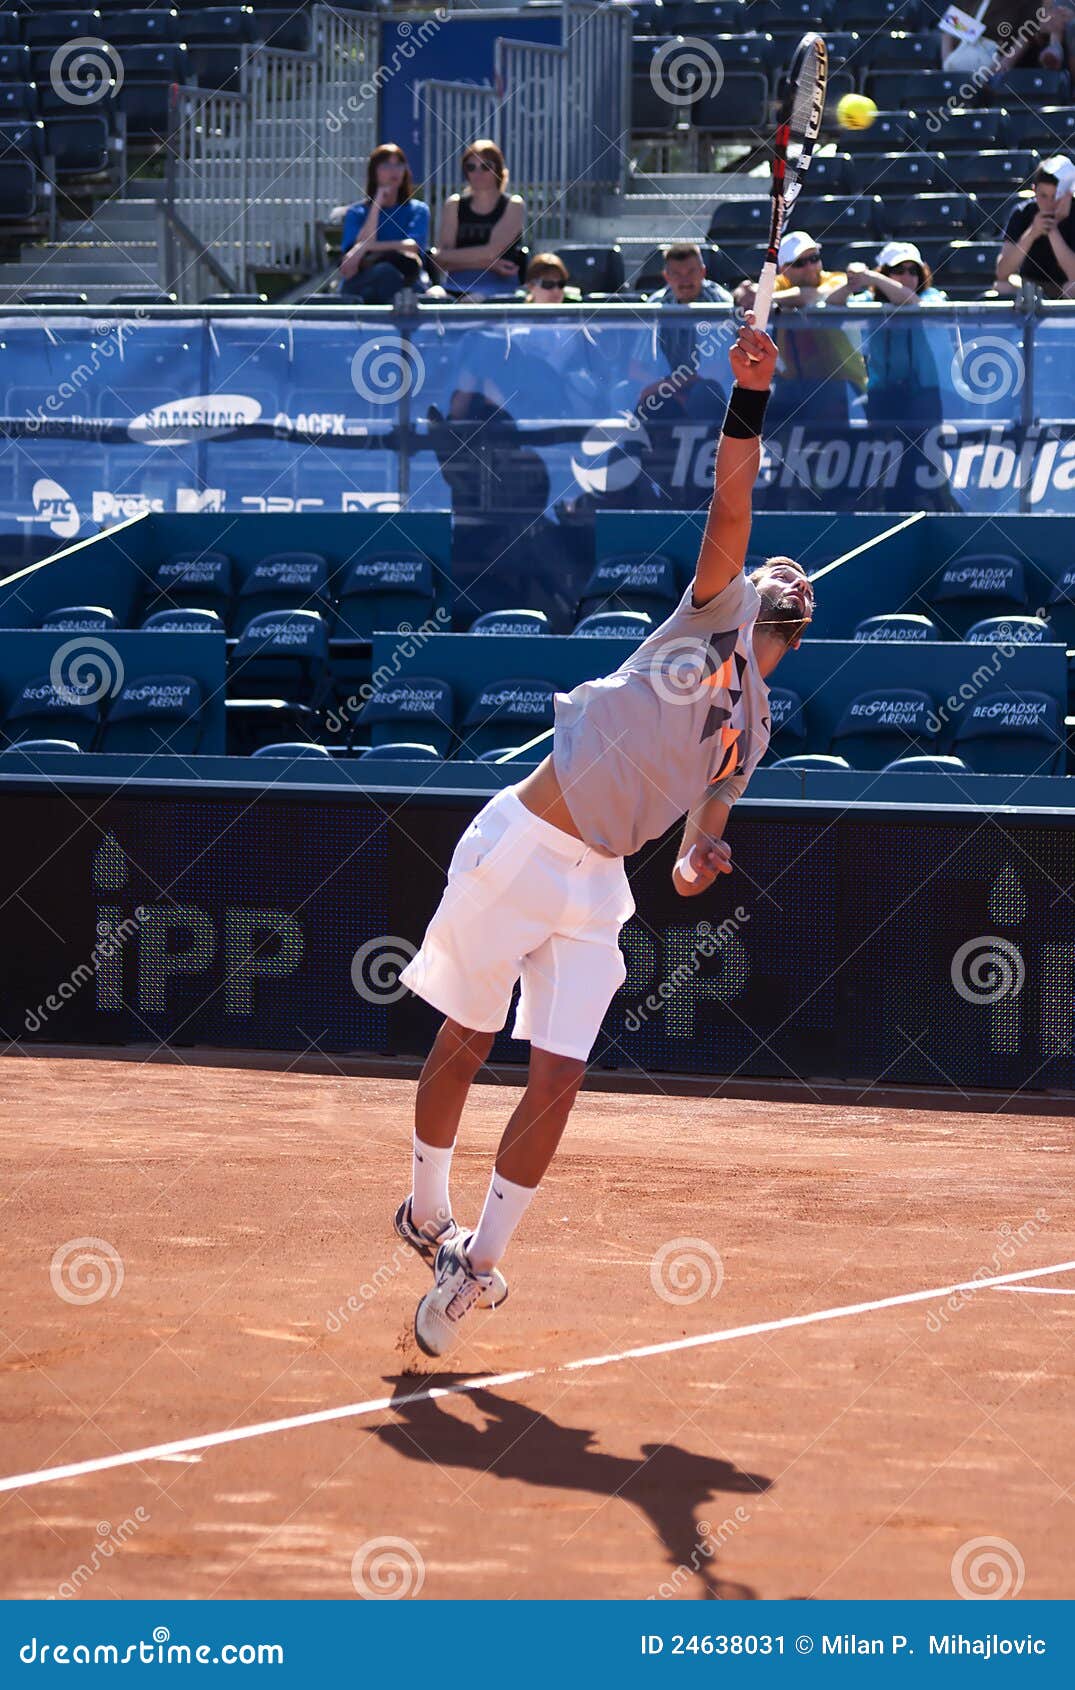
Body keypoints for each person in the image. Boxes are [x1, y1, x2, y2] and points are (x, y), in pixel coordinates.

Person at [394, 319, 816, 1357]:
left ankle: (475, 1264)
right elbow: (731, 495)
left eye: (791, 612)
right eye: (771, 590)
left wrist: (694, 859)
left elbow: (686, 849)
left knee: (561, 1075)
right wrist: (748, 394)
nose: (778, 602)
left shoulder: (753, 733)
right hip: (522, 841)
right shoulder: (705, 613)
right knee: (465, 1038)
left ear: (793, 640)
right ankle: (422, 1206)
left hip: (596, 892)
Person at [736, 232, 866, 428]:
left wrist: (764, 296)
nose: (810, 268)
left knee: (822, 398)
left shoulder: (836, 279)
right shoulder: (780, 285)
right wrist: (743, 292)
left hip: (845, 383)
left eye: (814, 259)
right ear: (783, 270)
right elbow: (746, 292)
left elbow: (810, 296)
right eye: (799, 263)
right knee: (759, 403)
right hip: (795, 383)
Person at [430, 139, 527, 300]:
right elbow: (440, 259)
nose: (478, 172)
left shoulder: (514, 204)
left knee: (471, 302)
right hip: (454, 284)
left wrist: (455, 259)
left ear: (498, 169)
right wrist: (490, 265)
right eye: (471, 167)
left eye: (486, 166)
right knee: (431, 298)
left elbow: (492, 252)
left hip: (499, 287)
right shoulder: (454, 204)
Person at [337, 143, 430, 303]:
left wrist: (366, 246)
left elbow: (412, 246)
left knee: (391, 278)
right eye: (386, 165)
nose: (394, 170)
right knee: (383, 274)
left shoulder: (418, 210)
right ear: (374, 172)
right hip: (362, 281)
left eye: (399, 164)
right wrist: (376, 204)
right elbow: (353, 257)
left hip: (405, 280)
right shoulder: (356, 212)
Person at [995, 155, 1075, 299]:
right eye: (1043, 196)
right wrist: (1032, 233)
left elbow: (1074, 275)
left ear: (1067, 195)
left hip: (1065, 288)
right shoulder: (1022, 213)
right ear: (1034, 191)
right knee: (1002, 286)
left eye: (1056, 196)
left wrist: (1053, 230)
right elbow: (1002, 272)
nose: (1049, 203)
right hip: (1030, 288)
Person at [645, 241, 732, 308]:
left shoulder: (723, 303)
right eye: (677, 274)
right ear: (666, 276)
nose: (685, 280)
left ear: (703, 272)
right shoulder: (654, 305)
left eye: (691, 272)